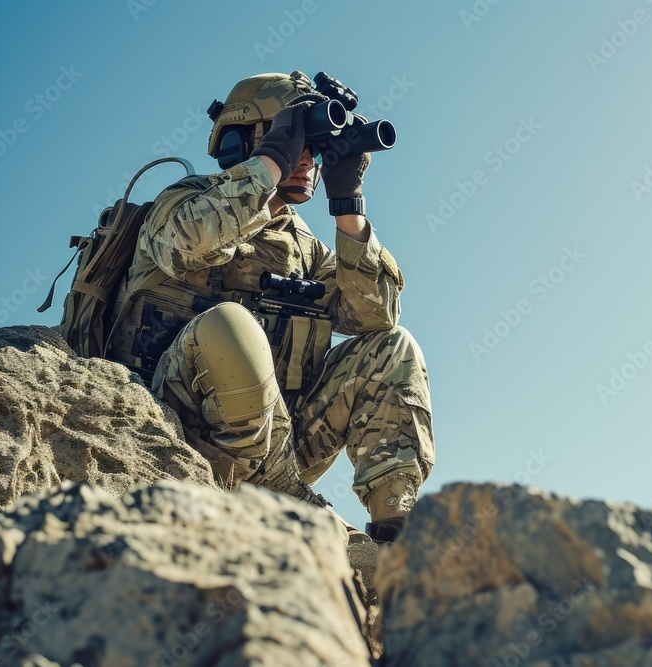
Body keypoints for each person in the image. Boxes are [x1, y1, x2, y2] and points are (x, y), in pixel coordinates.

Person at [105, 71, 434, 542]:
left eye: (314, 148)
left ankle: (393, 527)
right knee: (228, 324)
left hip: (280, 450)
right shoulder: (183, 202)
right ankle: (287, 499)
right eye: (294, 140)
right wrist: (270, 163)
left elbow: (374, 317)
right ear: (240, 144)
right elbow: (189, 243)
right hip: (176, 428)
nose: (306, 160)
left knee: (393, 347)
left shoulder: (301, 246)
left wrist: (348, 204)